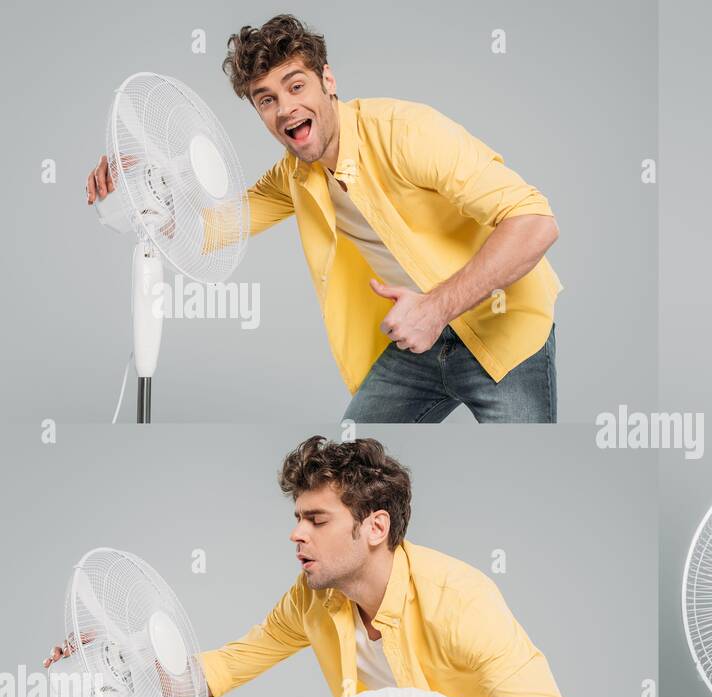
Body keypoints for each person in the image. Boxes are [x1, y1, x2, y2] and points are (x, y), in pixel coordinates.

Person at [46, 436, 579, 697]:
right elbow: (223, 667)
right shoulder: (312, 600)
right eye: (297, 517)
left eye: (317, 520)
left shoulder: (460, 601)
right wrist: (130, 651)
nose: (296, 534)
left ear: (375, 526)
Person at [85, 14, 562, 422]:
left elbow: (536, 223)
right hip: (418, 341)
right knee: (352, 458)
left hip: (502, 329)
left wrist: (436, 308)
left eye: (296, 86)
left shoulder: (407, 134)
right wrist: (140, 189)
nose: (285, 107)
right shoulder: (292, 177)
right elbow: (212, 231)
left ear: (327, 81)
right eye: (266, 99)